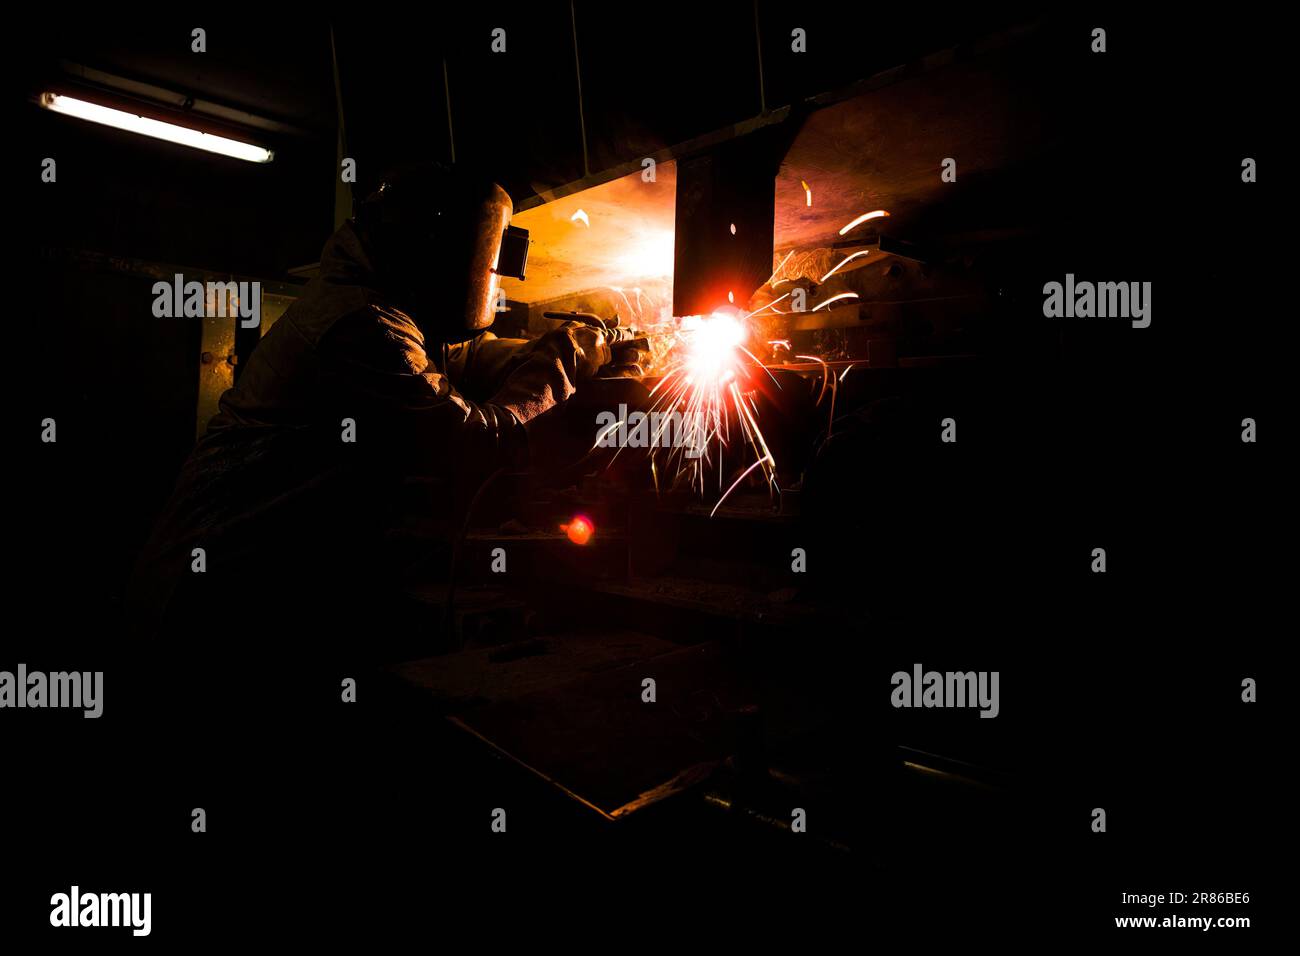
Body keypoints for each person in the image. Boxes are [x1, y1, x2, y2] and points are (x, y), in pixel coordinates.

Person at [128, 165, 615, 645]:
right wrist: (566, 355)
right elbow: (476, 442)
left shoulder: (378, 304)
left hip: (247, 588)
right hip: (206, 605)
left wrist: (548, 347)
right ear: (443, 251)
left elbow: (464, 356)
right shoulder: (361, 326)